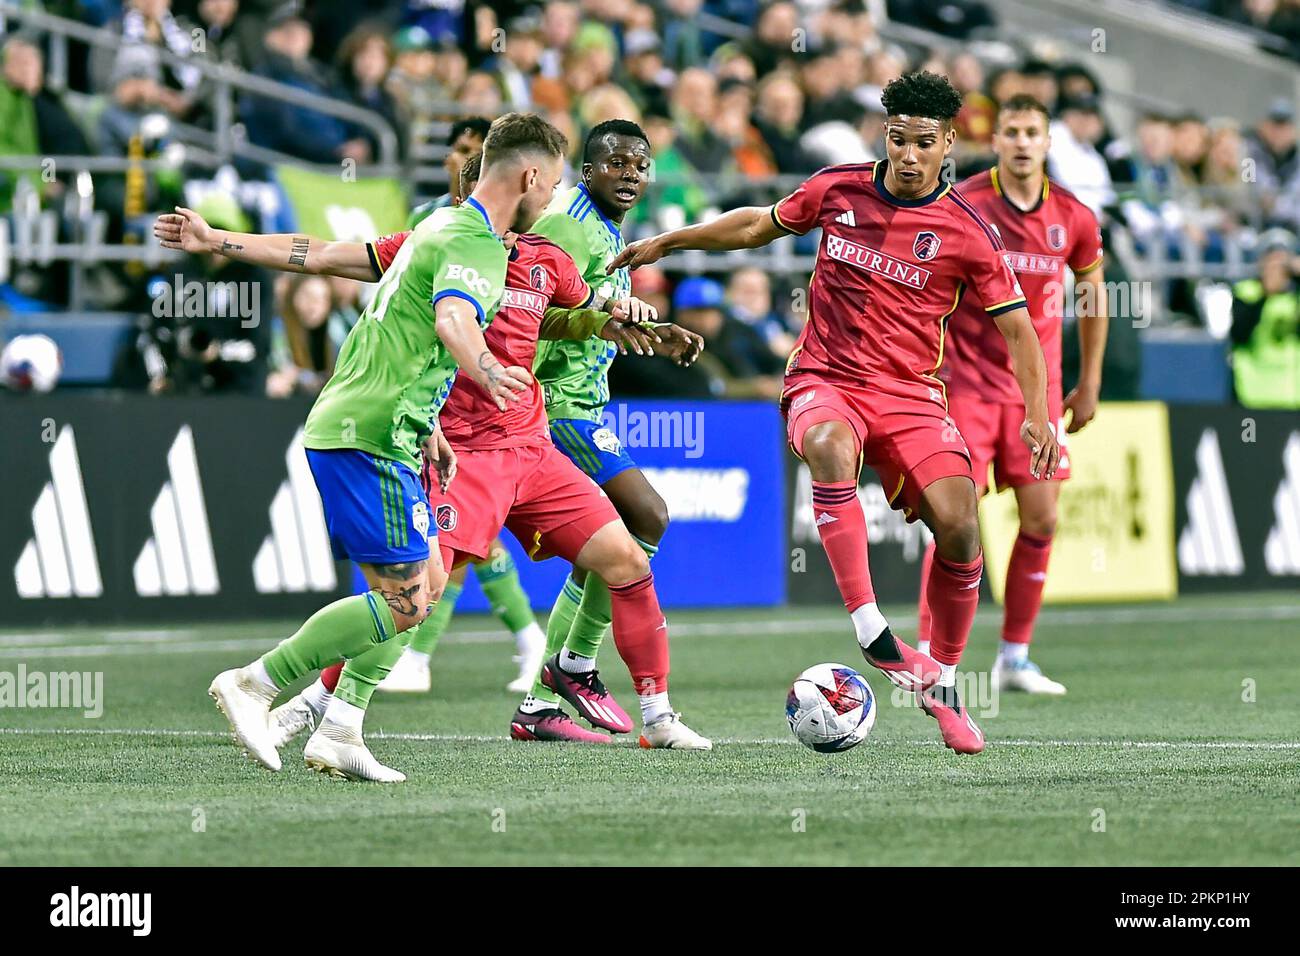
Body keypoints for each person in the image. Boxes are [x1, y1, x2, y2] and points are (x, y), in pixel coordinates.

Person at [611, 72, 1061, 755]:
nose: (908, 156)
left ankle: (939, 676)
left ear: (948, 145)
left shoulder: (968, 232)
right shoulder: (838, 187)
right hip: (826, 377)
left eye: (924, 144)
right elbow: (758, 225)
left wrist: (1039, 416)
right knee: (826, 445)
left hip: (911, 395)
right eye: (898, 139)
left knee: (962, 526)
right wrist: (672, 242)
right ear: (886, 135)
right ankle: (871, 627)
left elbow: (1020, 331)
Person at [200, 112, 568, 782]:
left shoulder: (436, 228)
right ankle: (256, 684)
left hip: (390, 429)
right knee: (405, 601)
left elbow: (359, 291)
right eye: (554, 186)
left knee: (422, 587)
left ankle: (341, 729)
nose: (552, 201)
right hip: (368, 433)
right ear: (532, 175)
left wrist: (216, 239)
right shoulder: (479, 244)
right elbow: (451, 318)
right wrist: (488, 370)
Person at [915, 94, 1108, 695]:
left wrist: (1090, 378)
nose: (1022, 142)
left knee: (1043, 518)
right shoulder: (966, 203)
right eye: (1011, 132)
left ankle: (1015, 658)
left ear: (1048, 142)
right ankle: (927, 658)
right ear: (995, 140)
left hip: (1037, 395)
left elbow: (1093, 295)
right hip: (965, 385)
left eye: (1032, 132)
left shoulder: (1074, 216)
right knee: (955, 514)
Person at [1230, 228, 1300, 409]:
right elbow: (1239, 334)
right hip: (1255, 393)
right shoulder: (1247, 292)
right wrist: (1266, 294)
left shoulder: (1295, 295)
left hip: (1293, 393)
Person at [406, 116, 492, 227]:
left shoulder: (504, 220)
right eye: (463, 150)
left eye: (479, 153)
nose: (472, 158)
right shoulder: (422, 217)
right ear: (447, 161)